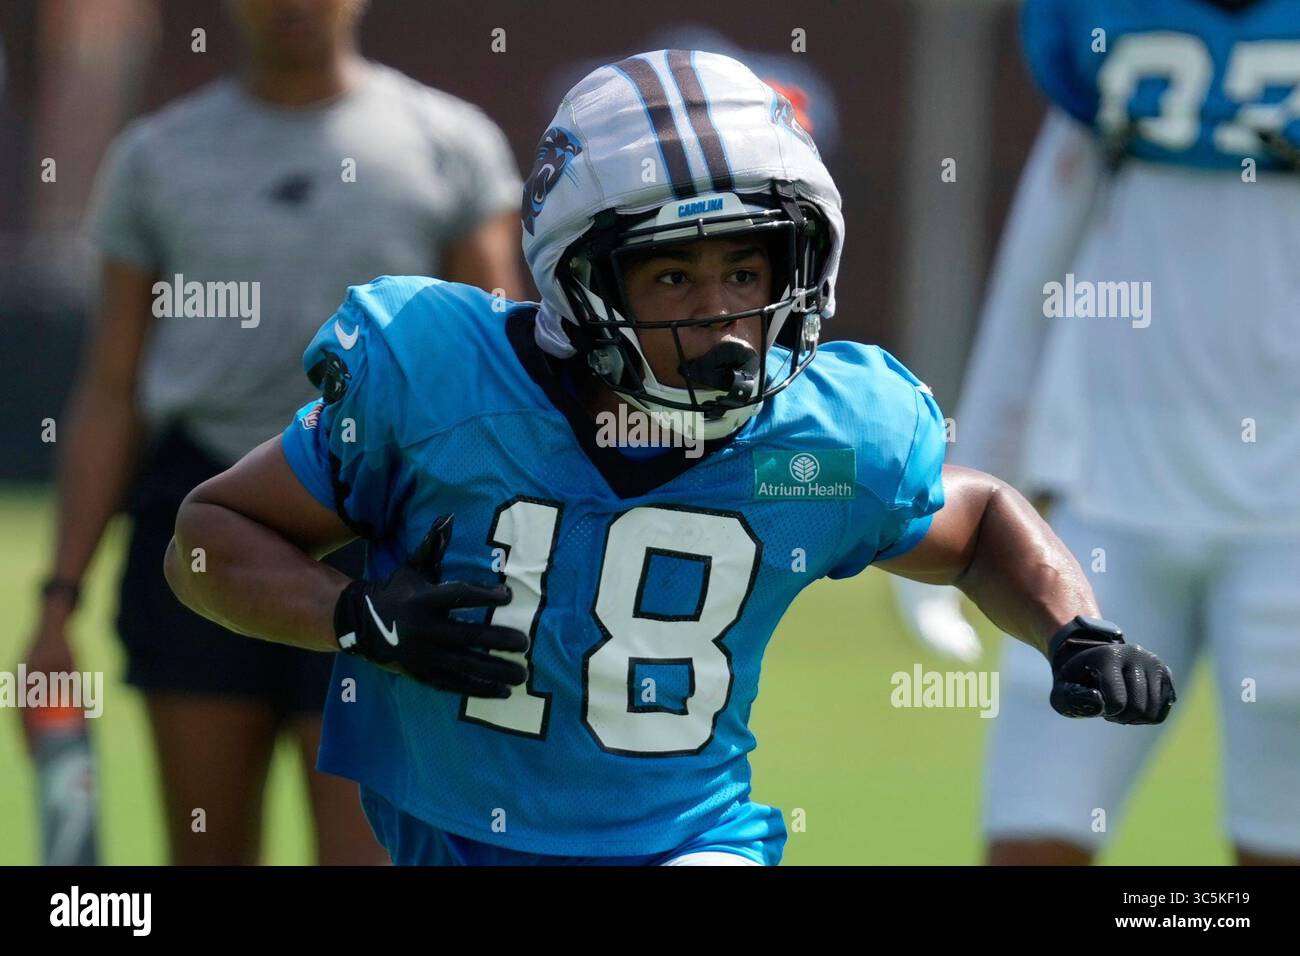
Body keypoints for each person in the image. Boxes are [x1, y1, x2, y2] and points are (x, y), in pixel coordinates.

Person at [163, 49, 1175, 866]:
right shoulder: (440, 390)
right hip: (455, 834)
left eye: (746, 265)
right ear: (585, 280)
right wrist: (354, 614)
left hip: (693, 841)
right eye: (675, 274)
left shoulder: (814, 444)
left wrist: (1073, 630)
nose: (724, 311)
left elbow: (979, 522)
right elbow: (205, 539)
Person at [24, 0, 523, 865]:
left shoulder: (451, 142)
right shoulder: (156, 155)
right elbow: (111, 390)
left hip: (380, 529)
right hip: (202, 524)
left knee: (366, 852)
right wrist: (58, 601)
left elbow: (499, 372)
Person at [965, 0, 1300, 866]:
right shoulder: (1100, 31)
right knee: (1030, 839)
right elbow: (1040, 257)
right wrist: (974, 481)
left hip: (1289, 527)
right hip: (1109, 506)